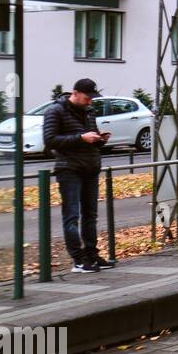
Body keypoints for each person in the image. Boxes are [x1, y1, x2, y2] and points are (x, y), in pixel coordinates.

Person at [42, 78, 113, 273]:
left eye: (92, 98)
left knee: (91, 215)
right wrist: (81, 138)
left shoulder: (89, 111)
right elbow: (50, 140)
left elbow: (90, 137)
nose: (89, 101)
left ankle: (92, 255)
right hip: (69, 168)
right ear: (75, 93)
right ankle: (78, 260)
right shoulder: (55, 111)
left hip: (90, 167)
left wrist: (100, 139)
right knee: (72, 215)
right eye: (86, 97)